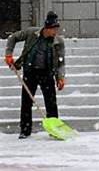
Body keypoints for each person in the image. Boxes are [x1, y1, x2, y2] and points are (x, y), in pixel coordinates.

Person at [4, 11, 65, 139]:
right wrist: (9, 54)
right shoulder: (32, 33)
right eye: (53, 30)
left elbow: (61, 62)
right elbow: (12, 38)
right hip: (30, 72)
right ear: (47, 28)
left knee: (51, 103)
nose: (55, 33)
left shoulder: (58, 42)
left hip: (47, 73)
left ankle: (54, 129)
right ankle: (25, 130)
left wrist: (60, 78)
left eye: (56, 29)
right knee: (26, 102)